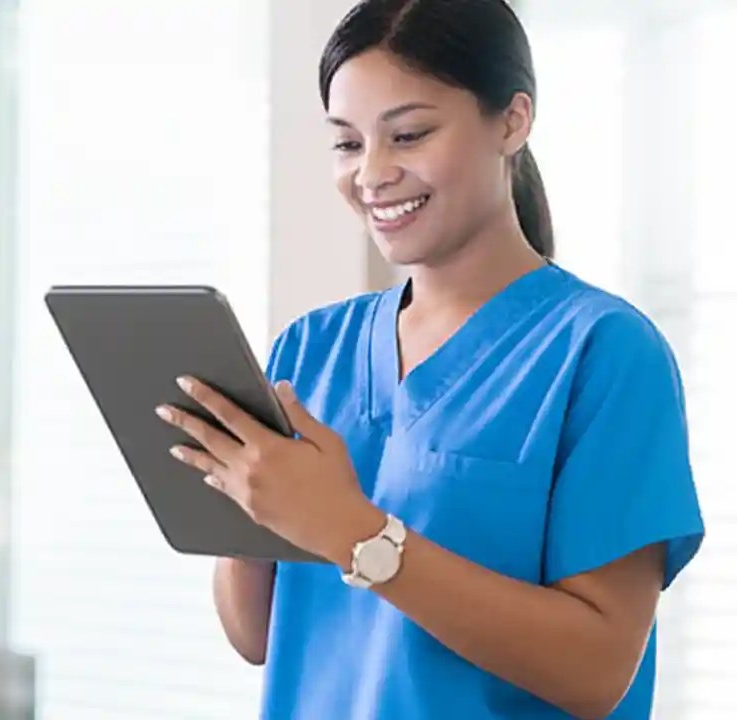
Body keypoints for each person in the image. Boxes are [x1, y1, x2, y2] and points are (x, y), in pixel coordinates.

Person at [154, 1, 704, 717]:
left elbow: (598, 671)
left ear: (512, 120)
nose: (373, 174)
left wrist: (352, 531)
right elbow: (258, 634)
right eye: (348, 144)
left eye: (408, 134)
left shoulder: (602, 353)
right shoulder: (308, 350)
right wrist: (250, 505)